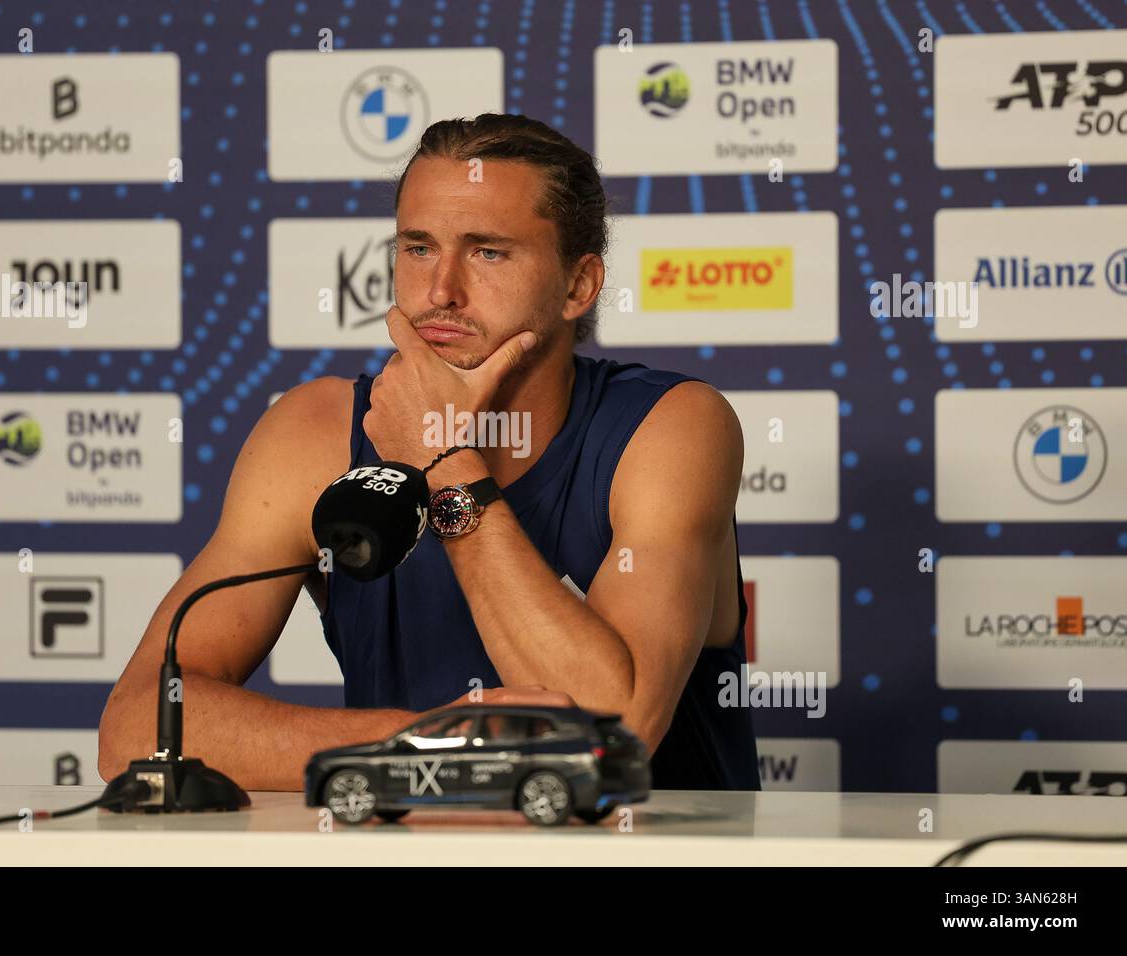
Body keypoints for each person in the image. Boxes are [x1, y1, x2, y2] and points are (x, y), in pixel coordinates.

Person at [99, 113, 760, 792]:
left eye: (488, 252)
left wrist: (444, 458)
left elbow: (611, 731)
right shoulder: (317, 433)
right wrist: (426, 745)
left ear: (577, 286)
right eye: (418, 248)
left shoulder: (671, 426)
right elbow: (135, 727)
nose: (440, 291)